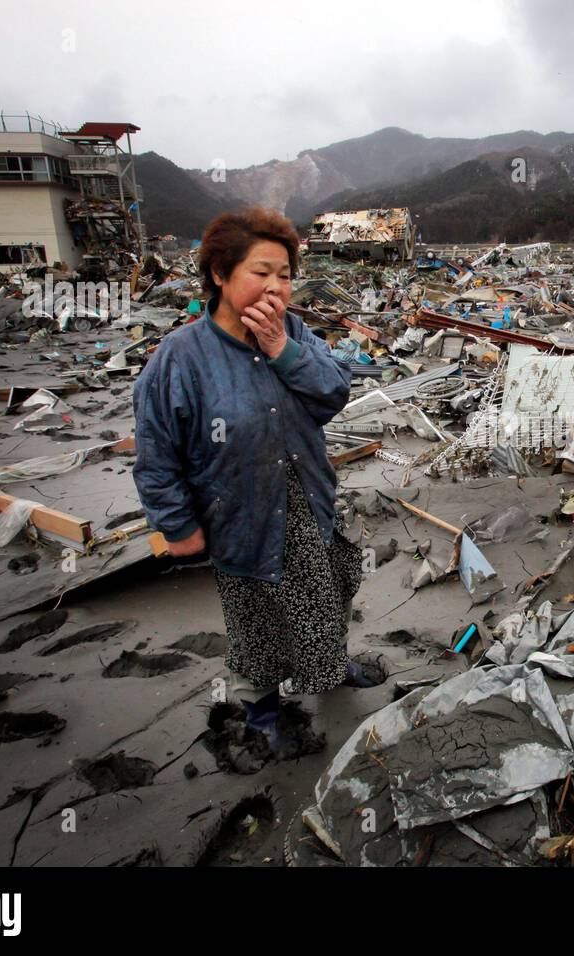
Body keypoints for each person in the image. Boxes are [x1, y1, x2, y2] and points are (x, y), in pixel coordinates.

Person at [132, 207, 371, 751]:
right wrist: (176, 525)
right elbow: (155, 453)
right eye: (261, 272)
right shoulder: (181, 358)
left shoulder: (294, 332)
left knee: (326, 594)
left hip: (307, 499)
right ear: (220, 274)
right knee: (255, 619)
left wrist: (283, 353)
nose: (276, 287)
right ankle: (262, 708)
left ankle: (331, 668)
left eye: (284, 274)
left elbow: (333, 394)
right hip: (237, 514)